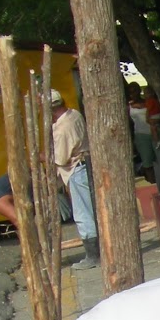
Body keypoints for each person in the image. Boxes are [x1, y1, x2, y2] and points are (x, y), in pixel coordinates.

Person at [51, 89, 99, 271]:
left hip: (75, 170)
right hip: (83, 165)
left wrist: (43, 156)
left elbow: (60, 158)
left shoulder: (63, 128)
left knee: (83, 213)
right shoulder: (74, 115)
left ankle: (93, 255)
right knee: (88, 209)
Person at [126, 83, 156, 180]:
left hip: (155, 132)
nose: (133, 94)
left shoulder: (148, 101)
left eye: (135, 90)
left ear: (139, 90)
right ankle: (152, 183)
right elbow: (129, 124)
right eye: (130, 92)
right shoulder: (129, 106)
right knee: (147, 163)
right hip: (141, 135)